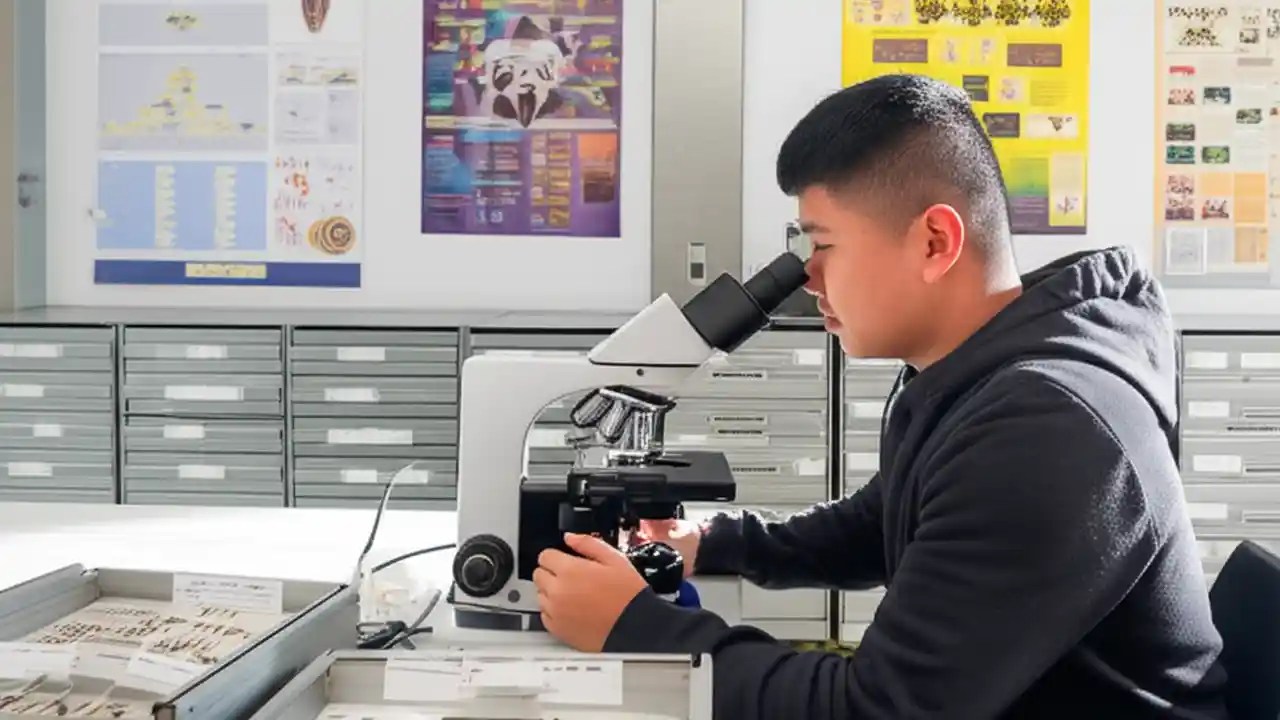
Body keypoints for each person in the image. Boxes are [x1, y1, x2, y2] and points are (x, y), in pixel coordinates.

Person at [532, 74, 1229, 719]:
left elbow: (877, 710)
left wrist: (638, 627)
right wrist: (709, 544)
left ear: (933, 241)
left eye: (823, 244)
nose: (807, 278)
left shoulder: (1046, 428)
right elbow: (885, 522)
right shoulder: (984, 374)